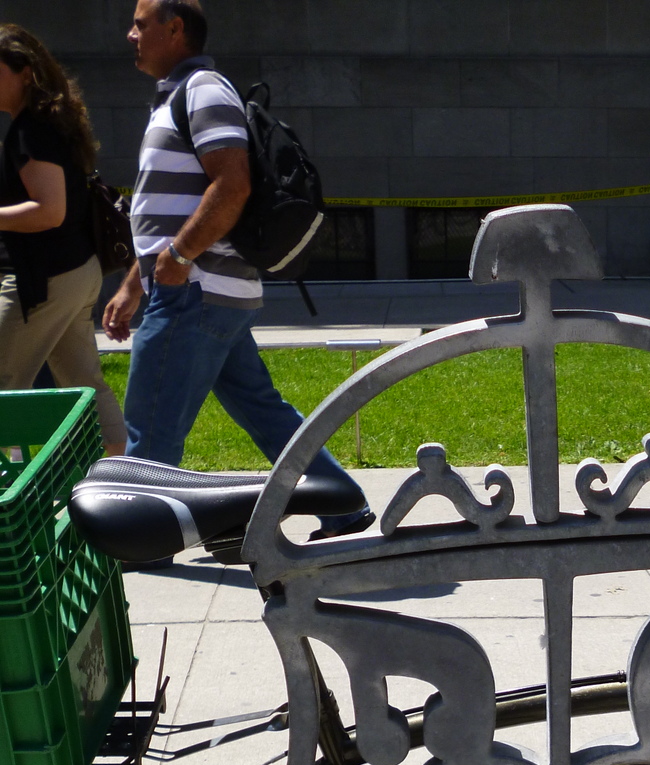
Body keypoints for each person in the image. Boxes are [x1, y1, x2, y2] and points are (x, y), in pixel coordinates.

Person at [102, 0, 372, 534]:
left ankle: (135, 537)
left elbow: (233, 183)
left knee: (150, 429)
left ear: (174, 29)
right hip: (200, 290)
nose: (130, 34)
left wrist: (178, 259)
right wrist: (136, 285)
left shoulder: (202, 89)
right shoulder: (178, 96)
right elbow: (171, 210)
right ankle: (341, 503)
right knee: (265, 414)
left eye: (140, 23)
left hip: (194, 292)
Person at [0, 26, 126, 454]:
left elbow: (48, 210)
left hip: (44, 280)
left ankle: (11, 493)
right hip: (75, 272)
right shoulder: (48, 124)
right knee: (84, 384)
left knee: (3, 385)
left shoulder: (29, 131)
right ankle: (118, 478)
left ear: (26, 73)